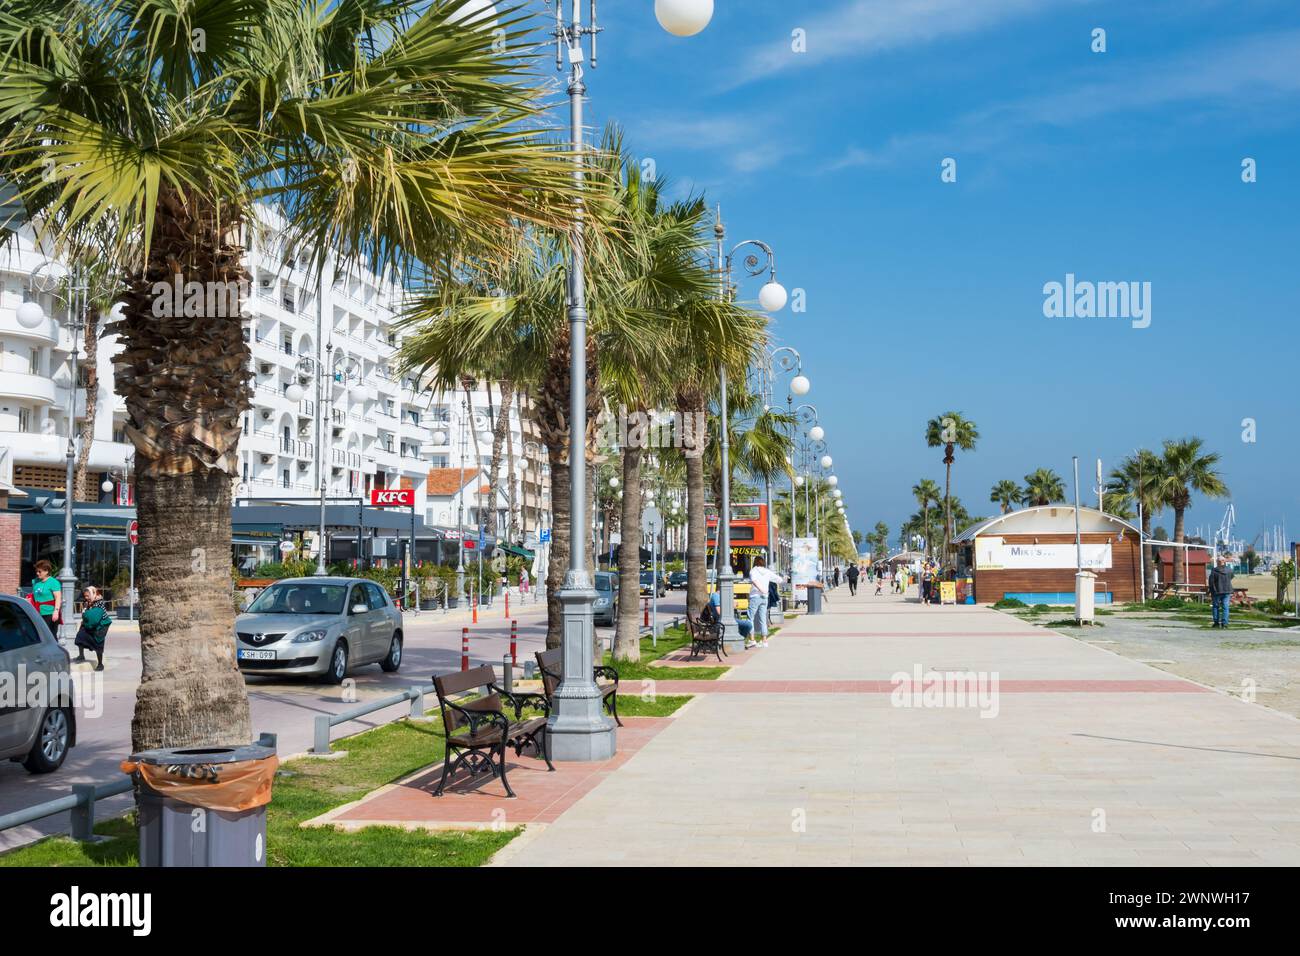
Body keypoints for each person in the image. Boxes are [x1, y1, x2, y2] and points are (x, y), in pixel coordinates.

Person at [748, 557, 783, 649]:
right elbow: (779, 579)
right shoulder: (767, 571)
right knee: (763, 619)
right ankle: (764, 641)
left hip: (755, 596)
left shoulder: (753, 571)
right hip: (765, 597)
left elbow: (754, 581)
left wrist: (760, 589)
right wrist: (766, 587)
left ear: (755, 562)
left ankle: (752, 640)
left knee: (750, 618)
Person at [74, 586, 112, 671]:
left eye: (88, 596)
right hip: (89, 624)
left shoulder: (99, 603)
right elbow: (85, 615)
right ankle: (81, 655)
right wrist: (85, 616)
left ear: (93, 594)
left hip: (100, 627)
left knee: (98, 644)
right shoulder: (87, 603)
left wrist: (85, 614)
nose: (86, 598)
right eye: (85, 596)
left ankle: (100, 664)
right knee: (80, 636)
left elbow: (93, 618)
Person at [29, 559, 61, 640]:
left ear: (46, 571)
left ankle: (54, 652)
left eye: (39, 571)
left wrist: (56, 611)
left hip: (49, 613)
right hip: (37, 613)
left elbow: (58, 597)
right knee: (38, 636)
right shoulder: (35, 581)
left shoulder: (53, 582)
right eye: (36, 571)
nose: (37, 573)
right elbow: (33, 596)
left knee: (50, 636)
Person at [1208, 554, 1234, 629]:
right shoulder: (1229, 570)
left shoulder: (1214, 570)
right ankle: (1224, 624)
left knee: (1216, 607)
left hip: (1217, 591)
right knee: (1225, 607)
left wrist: (1210, 591)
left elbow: (1211, 581)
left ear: (1217, 562)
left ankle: (1216, 623)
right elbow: (1231, 577)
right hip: (1227, 590)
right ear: (1224, 561)